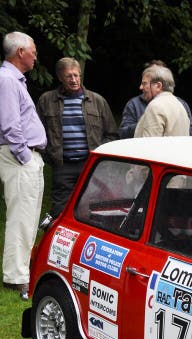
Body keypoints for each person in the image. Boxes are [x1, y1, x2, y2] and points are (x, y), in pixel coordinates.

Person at [36, 57, 118, 217]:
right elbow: (38, 133)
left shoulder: (97, 101)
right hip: (62, 166)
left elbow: (112, 134)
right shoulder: (47, 100)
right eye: (69, 76)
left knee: (91, 207)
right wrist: (50, 155)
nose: (74, 80)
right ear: (60, 77)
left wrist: (99, 156)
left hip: (90, 164)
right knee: (60, 210)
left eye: (76, 75)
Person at [0, 31, 47, 300]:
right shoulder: (7, 79)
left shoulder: (14, 79)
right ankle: (16, 278)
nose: (35, 56)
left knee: (28, 218)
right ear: (20, 52)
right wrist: (25, 156)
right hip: (20, 156)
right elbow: (10, 124)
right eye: (33, 51)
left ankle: (22, 273)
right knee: (21, 218)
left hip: (26, 156)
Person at [120, 60, 192, 138]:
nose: (140, 87)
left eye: (144, 83)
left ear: (158, 86)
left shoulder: (155, 106)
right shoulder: (180, 105)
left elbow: (149, 143)